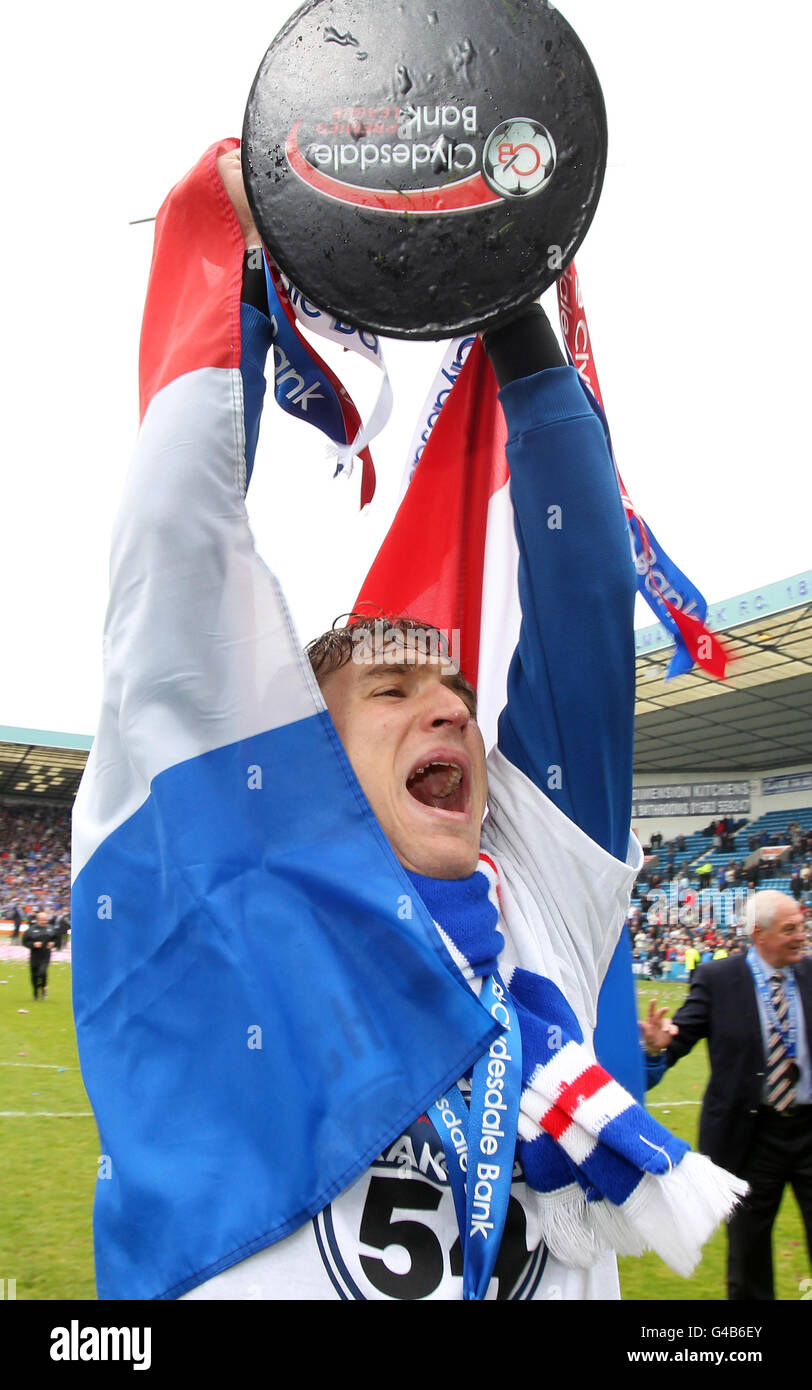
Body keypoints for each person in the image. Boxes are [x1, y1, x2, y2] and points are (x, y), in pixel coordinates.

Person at [72, 141, 744, 1302]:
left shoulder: (536, 893)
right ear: (310, 766)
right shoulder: (242, 890)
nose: (443, 705)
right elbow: (174, 539)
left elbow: (582, 594)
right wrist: (227, 257)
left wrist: (510, 306)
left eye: (452, 696)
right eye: (387, 691)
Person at [642, 890, 812, 1299]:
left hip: (809, 1131)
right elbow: (677, 1042)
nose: (801, 936)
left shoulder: (809, 973)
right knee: (749, 1260)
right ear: (759, 934)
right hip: (751, 1139)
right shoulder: (720, 980)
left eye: (802, 926)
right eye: (789, 929)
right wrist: (656, 1046)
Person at [22, 911, 53, 1000]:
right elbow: (24, 942)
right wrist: (33, 944)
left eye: (46, 920)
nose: (44, 922)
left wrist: (53, 943)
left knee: (42, 972)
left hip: (45, 955)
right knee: (34, 975)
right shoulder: (31, 930)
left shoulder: (50, 929)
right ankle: (35, 993)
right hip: (35, 956)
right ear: (38, 920)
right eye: (42, 920)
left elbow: (56, 939)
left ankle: (43, 987)